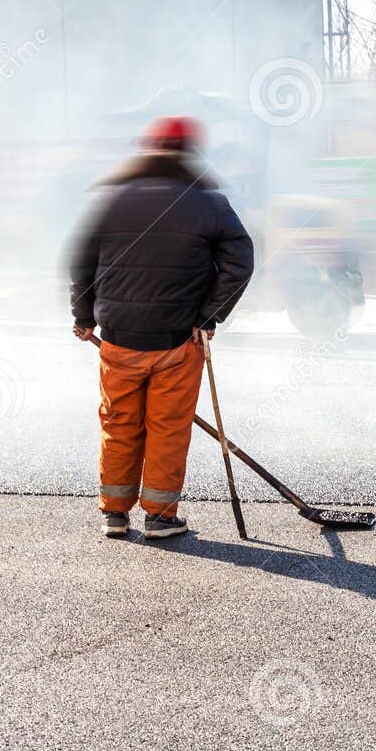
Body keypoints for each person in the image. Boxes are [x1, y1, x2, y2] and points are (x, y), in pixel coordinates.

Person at [67, 116, 255, 540]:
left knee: (119, 424)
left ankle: (115, 513)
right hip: (178, 340)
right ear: (189, 156)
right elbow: (240, 263)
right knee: (168, 427)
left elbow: (82, 264)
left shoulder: (111, 200)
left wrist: (83, 317)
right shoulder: (209, 203)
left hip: (118, 340)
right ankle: (160, 518)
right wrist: (208, 317)